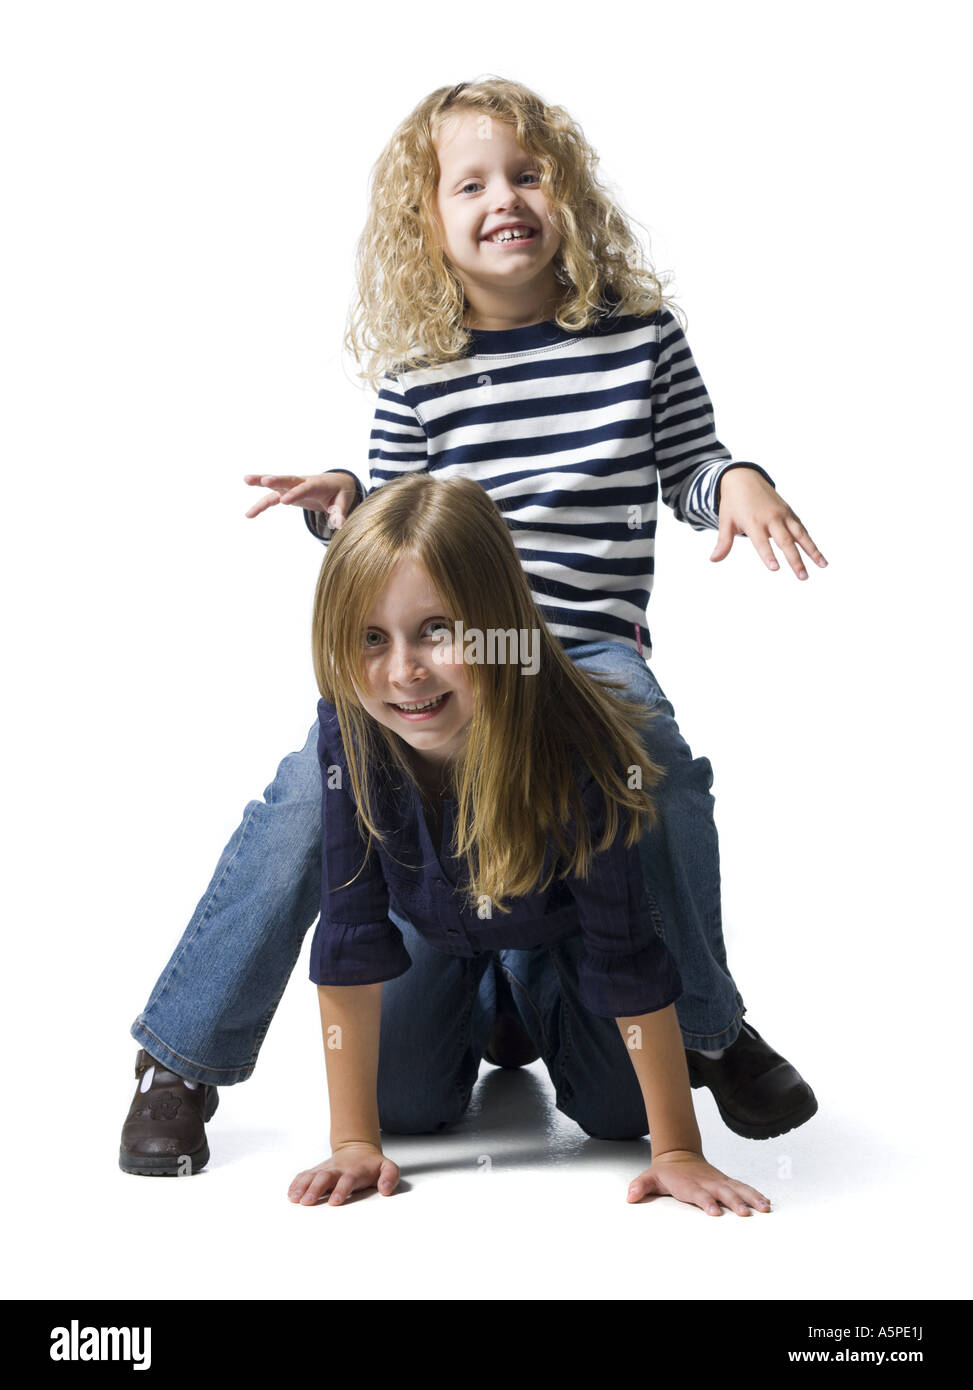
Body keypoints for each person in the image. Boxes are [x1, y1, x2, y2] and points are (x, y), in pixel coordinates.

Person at [120, 76, 823, 1176]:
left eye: (529, 175)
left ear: (570, 199)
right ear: (429, 225)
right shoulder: (421, 375)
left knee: (658, 766)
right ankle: (179, 1059)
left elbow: (688, 461)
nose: (507, 198)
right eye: (473, 183)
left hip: (579, 650)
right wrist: (348, 499)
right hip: (455, 648)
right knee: (312, 785)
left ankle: (708, 1028)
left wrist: (732, 481)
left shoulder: (640, 339)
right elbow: (397, 538)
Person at [289, 470, 772, 1215]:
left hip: (561, 935)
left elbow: (626, 952)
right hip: (432, 931)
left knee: (620, 1117)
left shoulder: (578, 741)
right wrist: (352, 1139)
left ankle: (523, 985)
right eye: (371, 638)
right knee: (405, 1107)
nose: (403, 671)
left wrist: (676, 1149)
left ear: (494, 624)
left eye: (437, 631)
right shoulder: (348, 730)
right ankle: (494, 1003)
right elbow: (350, 933)